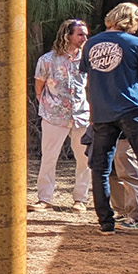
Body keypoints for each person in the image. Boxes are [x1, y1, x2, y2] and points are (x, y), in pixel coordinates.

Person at [81, 2, 138, 236]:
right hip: (132, 109)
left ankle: (106, 223)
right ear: (130, 21)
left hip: (101, 112)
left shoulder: (90, 44)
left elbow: (88, 77)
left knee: (100, 168)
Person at [33, 19, 91, 211]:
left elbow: (91, 86)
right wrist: (50, 106)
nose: (84, 38)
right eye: (80, 34)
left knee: (84, 158)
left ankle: (80, 199)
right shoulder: (47, 60)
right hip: (53, 115)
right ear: (68, 35)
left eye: (85, 34)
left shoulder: (88, 59)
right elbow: (39, 87)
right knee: (49, 157)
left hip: (81, 115)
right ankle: (44, 199)